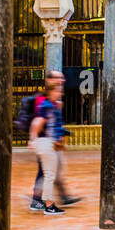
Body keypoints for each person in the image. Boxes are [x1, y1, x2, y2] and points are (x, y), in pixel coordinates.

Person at [25, 71, 82, 211]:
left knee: (51, 172)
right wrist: (34, 139)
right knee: (47, 173)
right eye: (57, 78)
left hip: (49, 142)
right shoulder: (44, 102)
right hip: (45, 142)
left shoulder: (53, 102)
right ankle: (42, 202)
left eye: (62, 78)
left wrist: (59, 139)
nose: (61, 80)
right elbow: (39, 122)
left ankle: (52, 199)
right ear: (49, 80)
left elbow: (54, 123)